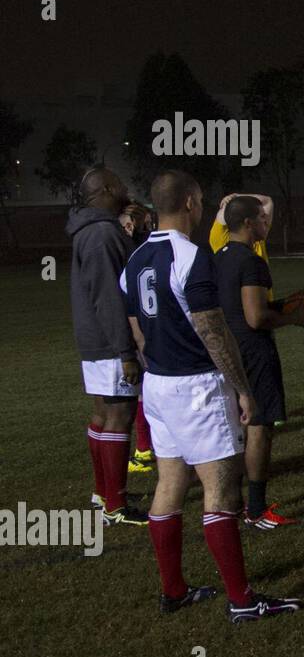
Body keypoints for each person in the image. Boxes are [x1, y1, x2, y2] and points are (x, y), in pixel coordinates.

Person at [123, 169, 304, 621]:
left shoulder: (134, 260)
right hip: (197, 385)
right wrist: (242, 389)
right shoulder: (192, 256)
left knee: (168, 485)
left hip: (158, 384)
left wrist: (157, 372)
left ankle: (174, 591)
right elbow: (213, 330)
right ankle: (242, 601)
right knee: (221, 491)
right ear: (189, 202)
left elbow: (137, 334)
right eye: (200, 201)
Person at [215, 196, 304, 528]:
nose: (265, 223)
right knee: (259, 428)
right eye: (261, 218)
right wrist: (295, 317)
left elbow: (235, 305)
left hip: (225, 350)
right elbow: (256, 317)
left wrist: (285, 303)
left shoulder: (219, 257)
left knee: (231, 430)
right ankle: (255, 509)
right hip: (253, 352)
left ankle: (226, 501)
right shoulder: (251, 261)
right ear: (247, 224)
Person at [67, 167, 147, 524]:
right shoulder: (101, 233)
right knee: (118, 418)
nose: (127, 187)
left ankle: (103, 495)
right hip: (111, 343)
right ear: (108, 188)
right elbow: (109, 297)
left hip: (95, 340)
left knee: (102, 416)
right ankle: (116, 506)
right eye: (122, 181)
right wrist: (126, 351)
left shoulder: (94, 230)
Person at [120, 199, 157, 475]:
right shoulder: (151, 247)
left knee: (144, 395)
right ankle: (147, 447)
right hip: (154, 326)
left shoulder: (129, 252)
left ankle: (144, 449)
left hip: (139, 329)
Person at [210, 192, 273, 261]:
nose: (265, 221)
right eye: (262, 216)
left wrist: (235, 196)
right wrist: (233, 199)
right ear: (248, 222)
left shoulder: (257, 241)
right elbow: (228, 209)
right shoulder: (220, 238)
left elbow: (267, 201)